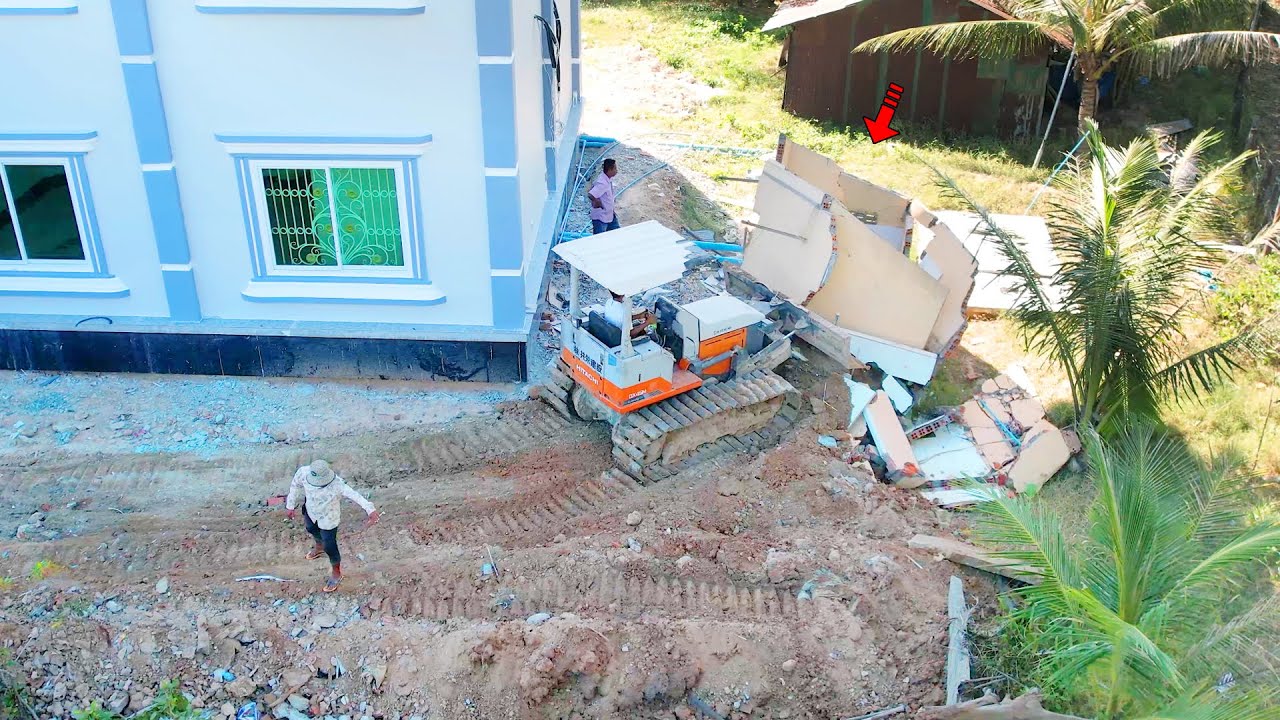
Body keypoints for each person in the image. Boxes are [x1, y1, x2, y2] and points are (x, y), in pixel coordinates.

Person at [284, 459, 379, 593]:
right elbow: (295, 485)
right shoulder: (303, 473)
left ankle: (336, 573)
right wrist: (290, 504)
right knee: (310, 528)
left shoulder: (337, 484)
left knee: (330, 546)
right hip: (311, 511)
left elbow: (354, 495)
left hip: (329, 519)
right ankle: (319, 547)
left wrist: (370, 510)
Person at [588, 158, 620, 234]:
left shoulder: (608, 179)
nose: (616, 170)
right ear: (609, 170)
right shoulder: (602, 183)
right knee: (599, 239)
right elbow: (591, 194)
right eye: (615, 168)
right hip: (601, 218)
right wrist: (597, 201)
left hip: (609, 215)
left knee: (617, 234)